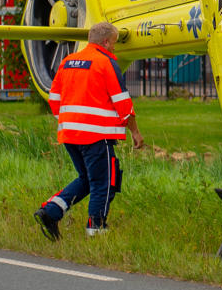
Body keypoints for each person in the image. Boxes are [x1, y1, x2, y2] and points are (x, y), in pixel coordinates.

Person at [34, 22, 143, 240]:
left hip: (70, 134)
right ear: (106, 42)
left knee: (87, 179)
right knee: (104, 182)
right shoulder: (106, 62)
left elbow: (53, 97)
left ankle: (51, 212)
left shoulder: (68, 62)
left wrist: (69, 120)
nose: (114, 48)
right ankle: (97, 230)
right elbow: (123, 102)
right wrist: (135, 132)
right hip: (96, 136)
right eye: (113, 43)